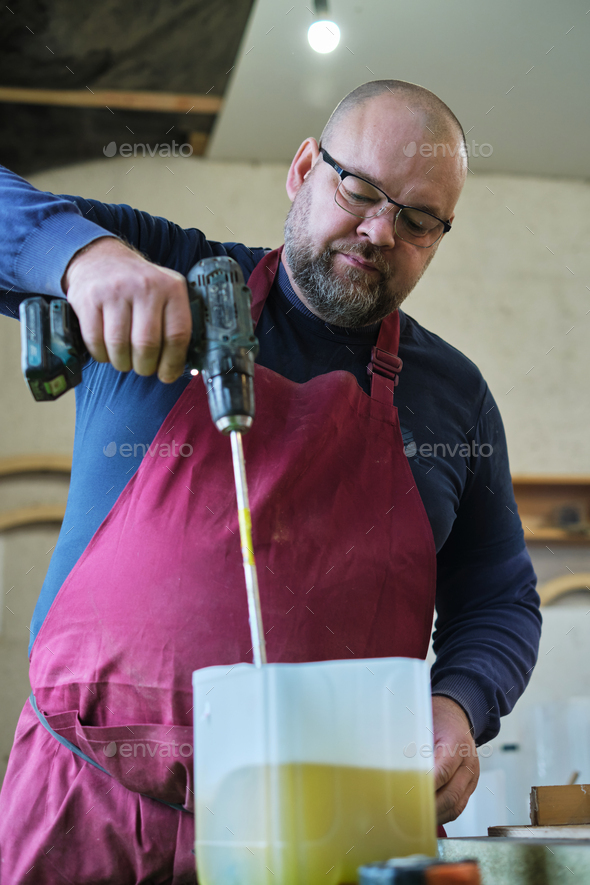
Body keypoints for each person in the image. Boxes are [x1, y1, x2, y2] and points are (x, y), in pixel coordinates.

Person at [0, 80, 541, 884]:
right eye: (359, 188)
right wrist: (86, 260)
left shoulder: (453, 398)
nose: (379, 229)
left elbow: (500, 597)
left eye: (420, 219)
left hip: (324, 841)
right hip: (87, 813)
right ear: (302, 169)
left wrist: (458, 704)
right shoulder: (174, 276)